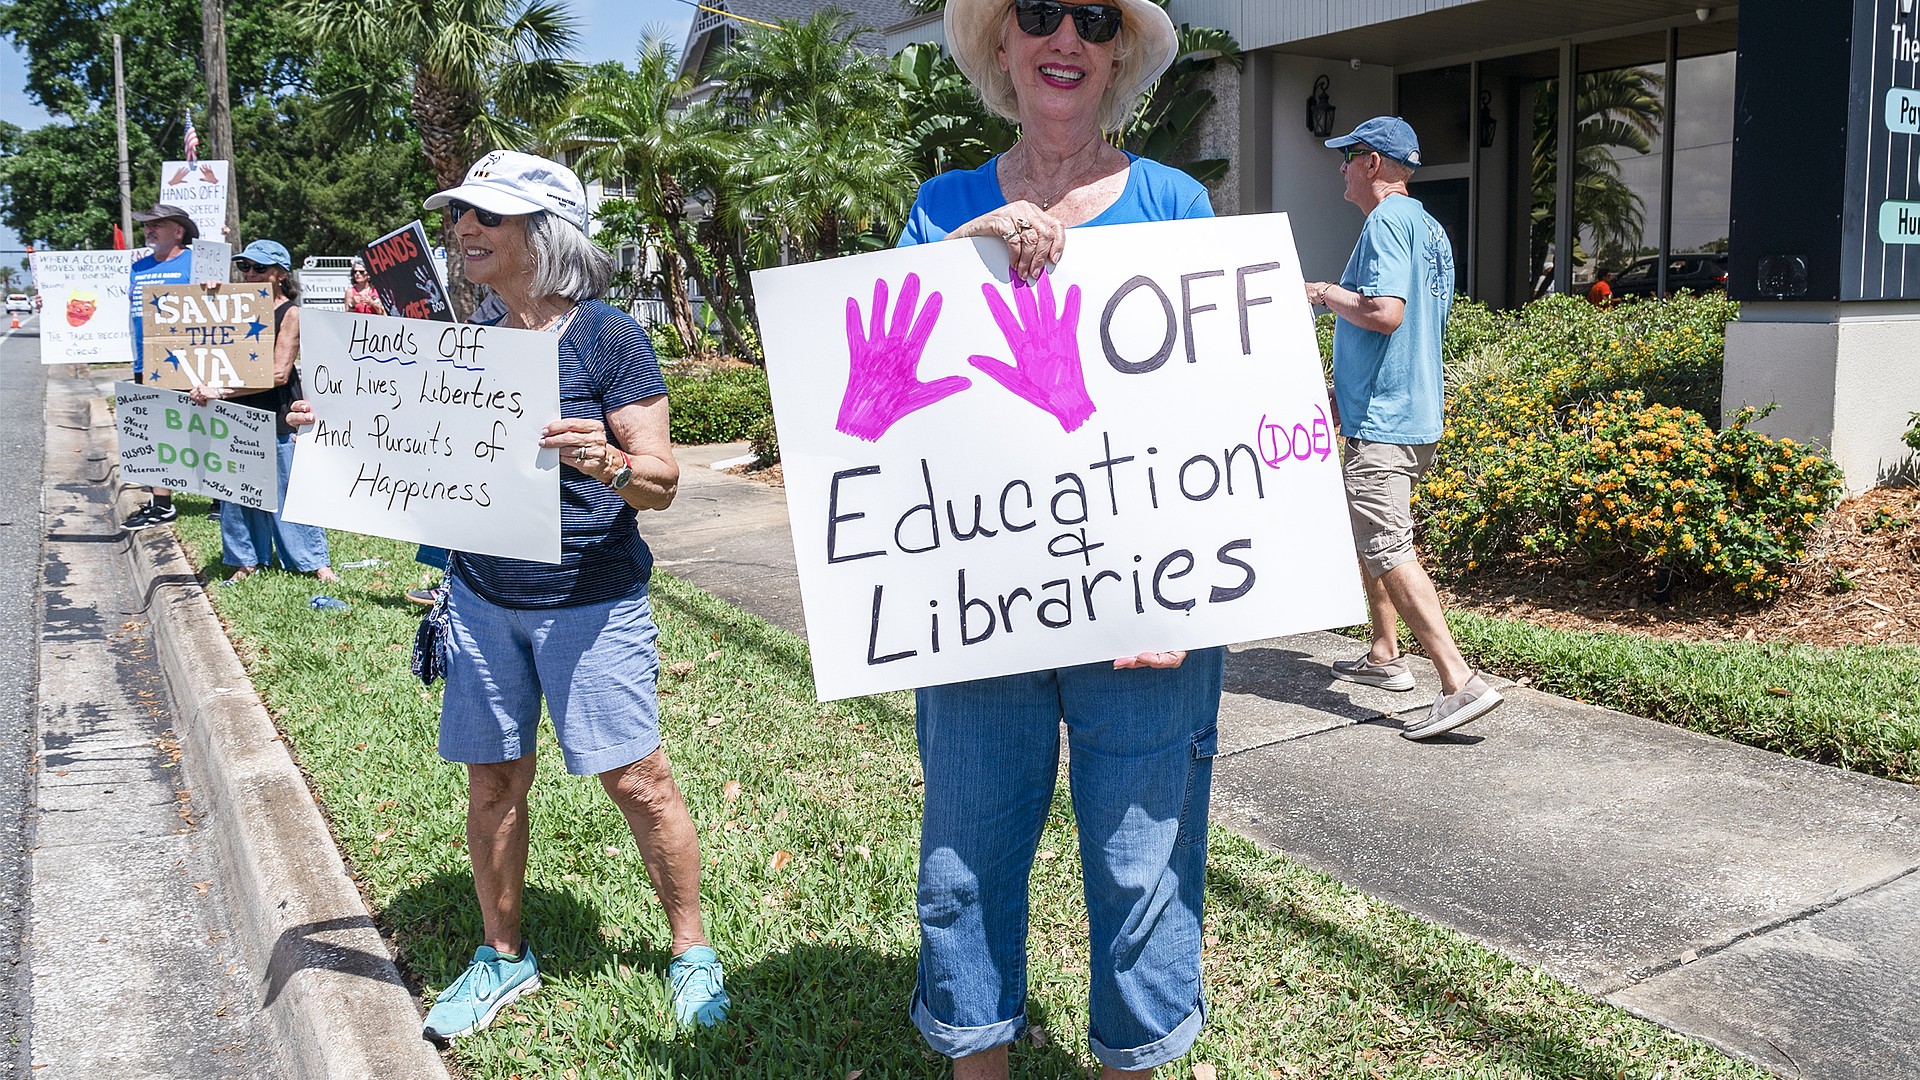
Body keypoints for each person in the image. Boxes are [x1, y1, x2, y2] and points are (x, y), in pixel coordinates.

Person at [289, 149, 730, 1041]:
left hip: (593, 600)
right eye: (460, 216)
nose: (463, 230)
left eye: (486, 217)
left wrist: (607, 460)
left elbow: (662, 481)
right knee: (492, 779)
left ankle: (690, 950)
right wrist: (334, 424)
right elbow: (410, 445)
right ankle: (503, 954)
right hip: (483, 597)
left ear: (547, 232)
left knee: (638, 780)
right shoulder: (461, 341)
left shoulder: (609, 336)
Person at [895, 2, 1219, 1077]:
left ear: (1119, 50)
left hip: (1145, 607)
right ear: (1003, 47)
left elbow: (1218, 414)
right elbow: (888, 410)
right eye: (1038, 13)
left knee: (1142, 869)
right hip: (977, 607)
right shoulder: (939, 210)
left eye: (1092, 16)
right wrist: (960, 267)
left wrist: (1193, 596)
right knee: (966, 863)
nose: (1064, 36)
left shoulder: (1177, 205)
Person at [1304, 116, 1504, 740]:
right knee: (1371, 531)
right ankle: (1385, 654)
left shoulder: (1386, 220)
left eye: (1347, 158)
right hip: (1413, 411)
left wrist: (1322, 292)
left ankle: (1457, 680)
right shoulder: (1429, 228)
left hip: (1386, 418)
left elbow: (1385, 313)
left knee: (1387, 543)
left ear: (1371, 163)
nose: (1340, 168)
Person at [187, 240, 341, 588]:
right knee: (237, 488)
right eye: (244, 267)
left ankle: (313, 563)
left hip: (275, 413)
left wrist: (220, 390)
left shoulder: (290, 314)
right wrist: (206, 295)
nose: (250, 274)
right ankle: (246, 561)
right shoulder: (231, 308)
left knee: (288, 487)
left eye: (259, 268)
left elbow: (277, 374)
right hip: (235, 414)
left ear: (279, 274)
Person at [122, 203, 198, 531]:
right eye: (146, 226)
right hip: (147, 361)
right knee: (155, 432)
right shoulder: (138, 267)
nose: (148, 230)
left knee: (199, 428)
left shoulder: (195, 262)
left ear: (178, 231)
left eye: (157, 225)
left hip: (189, 359)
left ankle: (219, 499)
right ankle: (161, 503)